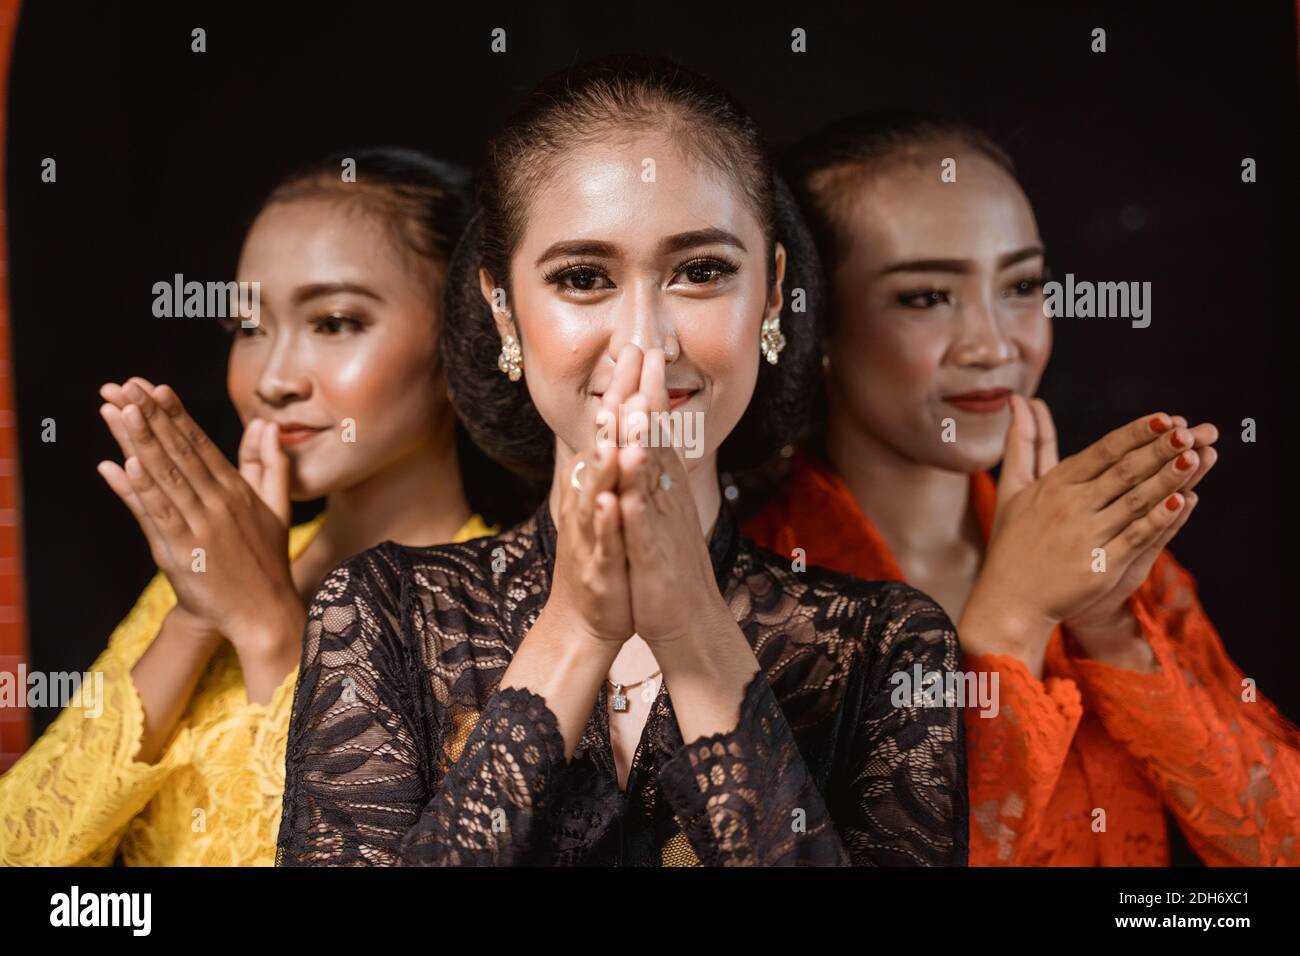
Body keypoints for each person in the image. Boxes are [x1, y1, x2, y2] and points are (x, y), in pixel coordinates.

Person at [276, 57, 969, 867]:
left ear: (773, 293)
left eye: (701, 271)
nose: (646, 340)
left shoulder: (891, 645)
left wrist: (696, 634)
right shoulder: (383, 612)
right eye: (582, 278)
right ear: (503, 309)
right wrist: (576, 627)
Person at [745, 112, 1300, 865]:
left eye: (1022, 285)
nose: (995, 344)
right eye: (926, 297)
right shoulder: (754, 598)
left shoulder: (1114, 566)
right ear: (820, 328)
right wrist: (1008, 626)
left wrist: (1112, 633)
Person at [0, 147, 492, 865]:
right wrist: (196, 616)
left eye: (334, 322)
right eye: (249, 328)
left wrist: (265, 625)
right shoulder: (214, 571)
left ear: (461, 344)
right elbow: (18, 847)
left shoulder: (500, 611)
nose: (274, 378)